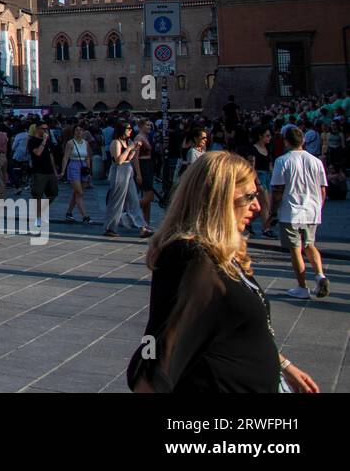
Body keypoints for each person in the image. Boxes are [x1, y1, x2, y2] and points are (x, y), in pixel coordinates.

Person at [127, 151, 318, 393]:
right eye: (248, 197)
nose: (257, 206)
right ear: (218, 198)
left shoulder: (221, 252)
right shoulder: (191, 258)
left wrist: (283, 364)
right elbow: (156, 348)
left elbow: (234, 324)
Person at [270, 129, 330, 300]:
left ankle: (302, 287)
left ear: (286, 142)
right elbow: (323, 189)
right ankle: (320, 275)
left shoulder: (282, 161)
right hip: (311, 208)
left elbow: (277, 190)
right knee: (310, 244)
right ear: (303, 140)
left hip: (291, 210)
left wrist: (273, 212)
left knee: (295, 249)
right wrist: (319, 206)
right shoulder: (316, 161)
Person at [105, 122, 151, 238]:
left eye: (131, 128)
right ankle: (110, 227)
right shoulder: (116, 142)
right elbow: (119, 160)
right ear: (122, 130)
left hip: (128, 170)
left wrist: (135, 149)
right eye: (128, 128)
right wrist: (130, 148)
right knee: (117, 201)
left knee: (134, 199)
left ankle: (142, 227)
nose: (131, 130)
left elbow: (129, 158)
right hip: (118, 172)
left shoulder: (128, 142)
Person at [27, 123, 59, 229]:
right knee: (38, 196)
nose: (45, 131)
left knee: (53, 194)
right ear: (37, 129)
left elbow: (51, 156)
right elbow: (38, 153)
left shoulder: (48, 141)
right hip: (39, 172)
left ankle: (41, 211)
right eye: (43, 129)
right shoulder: (32, 141)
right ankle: (38, 218)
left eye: (47, 129)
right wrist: (44, 141)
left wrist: (55, 171)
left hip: (49, 171)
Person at [60, 126, 92, 224]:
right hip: (73, 165)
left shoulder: (86, 143)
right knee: (79, 192)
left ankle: (69, 213)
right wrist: (63, 171)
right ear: (73, 132)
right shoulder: (70, 143)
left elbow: (87, 157)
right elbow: (65, 157)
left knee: (77, 192)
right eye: (77, 130)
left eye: (81, 130)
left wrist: (89, 170)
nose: (79, 132)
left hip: (83, 167)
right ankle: (85, 216)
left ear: (83, 132)